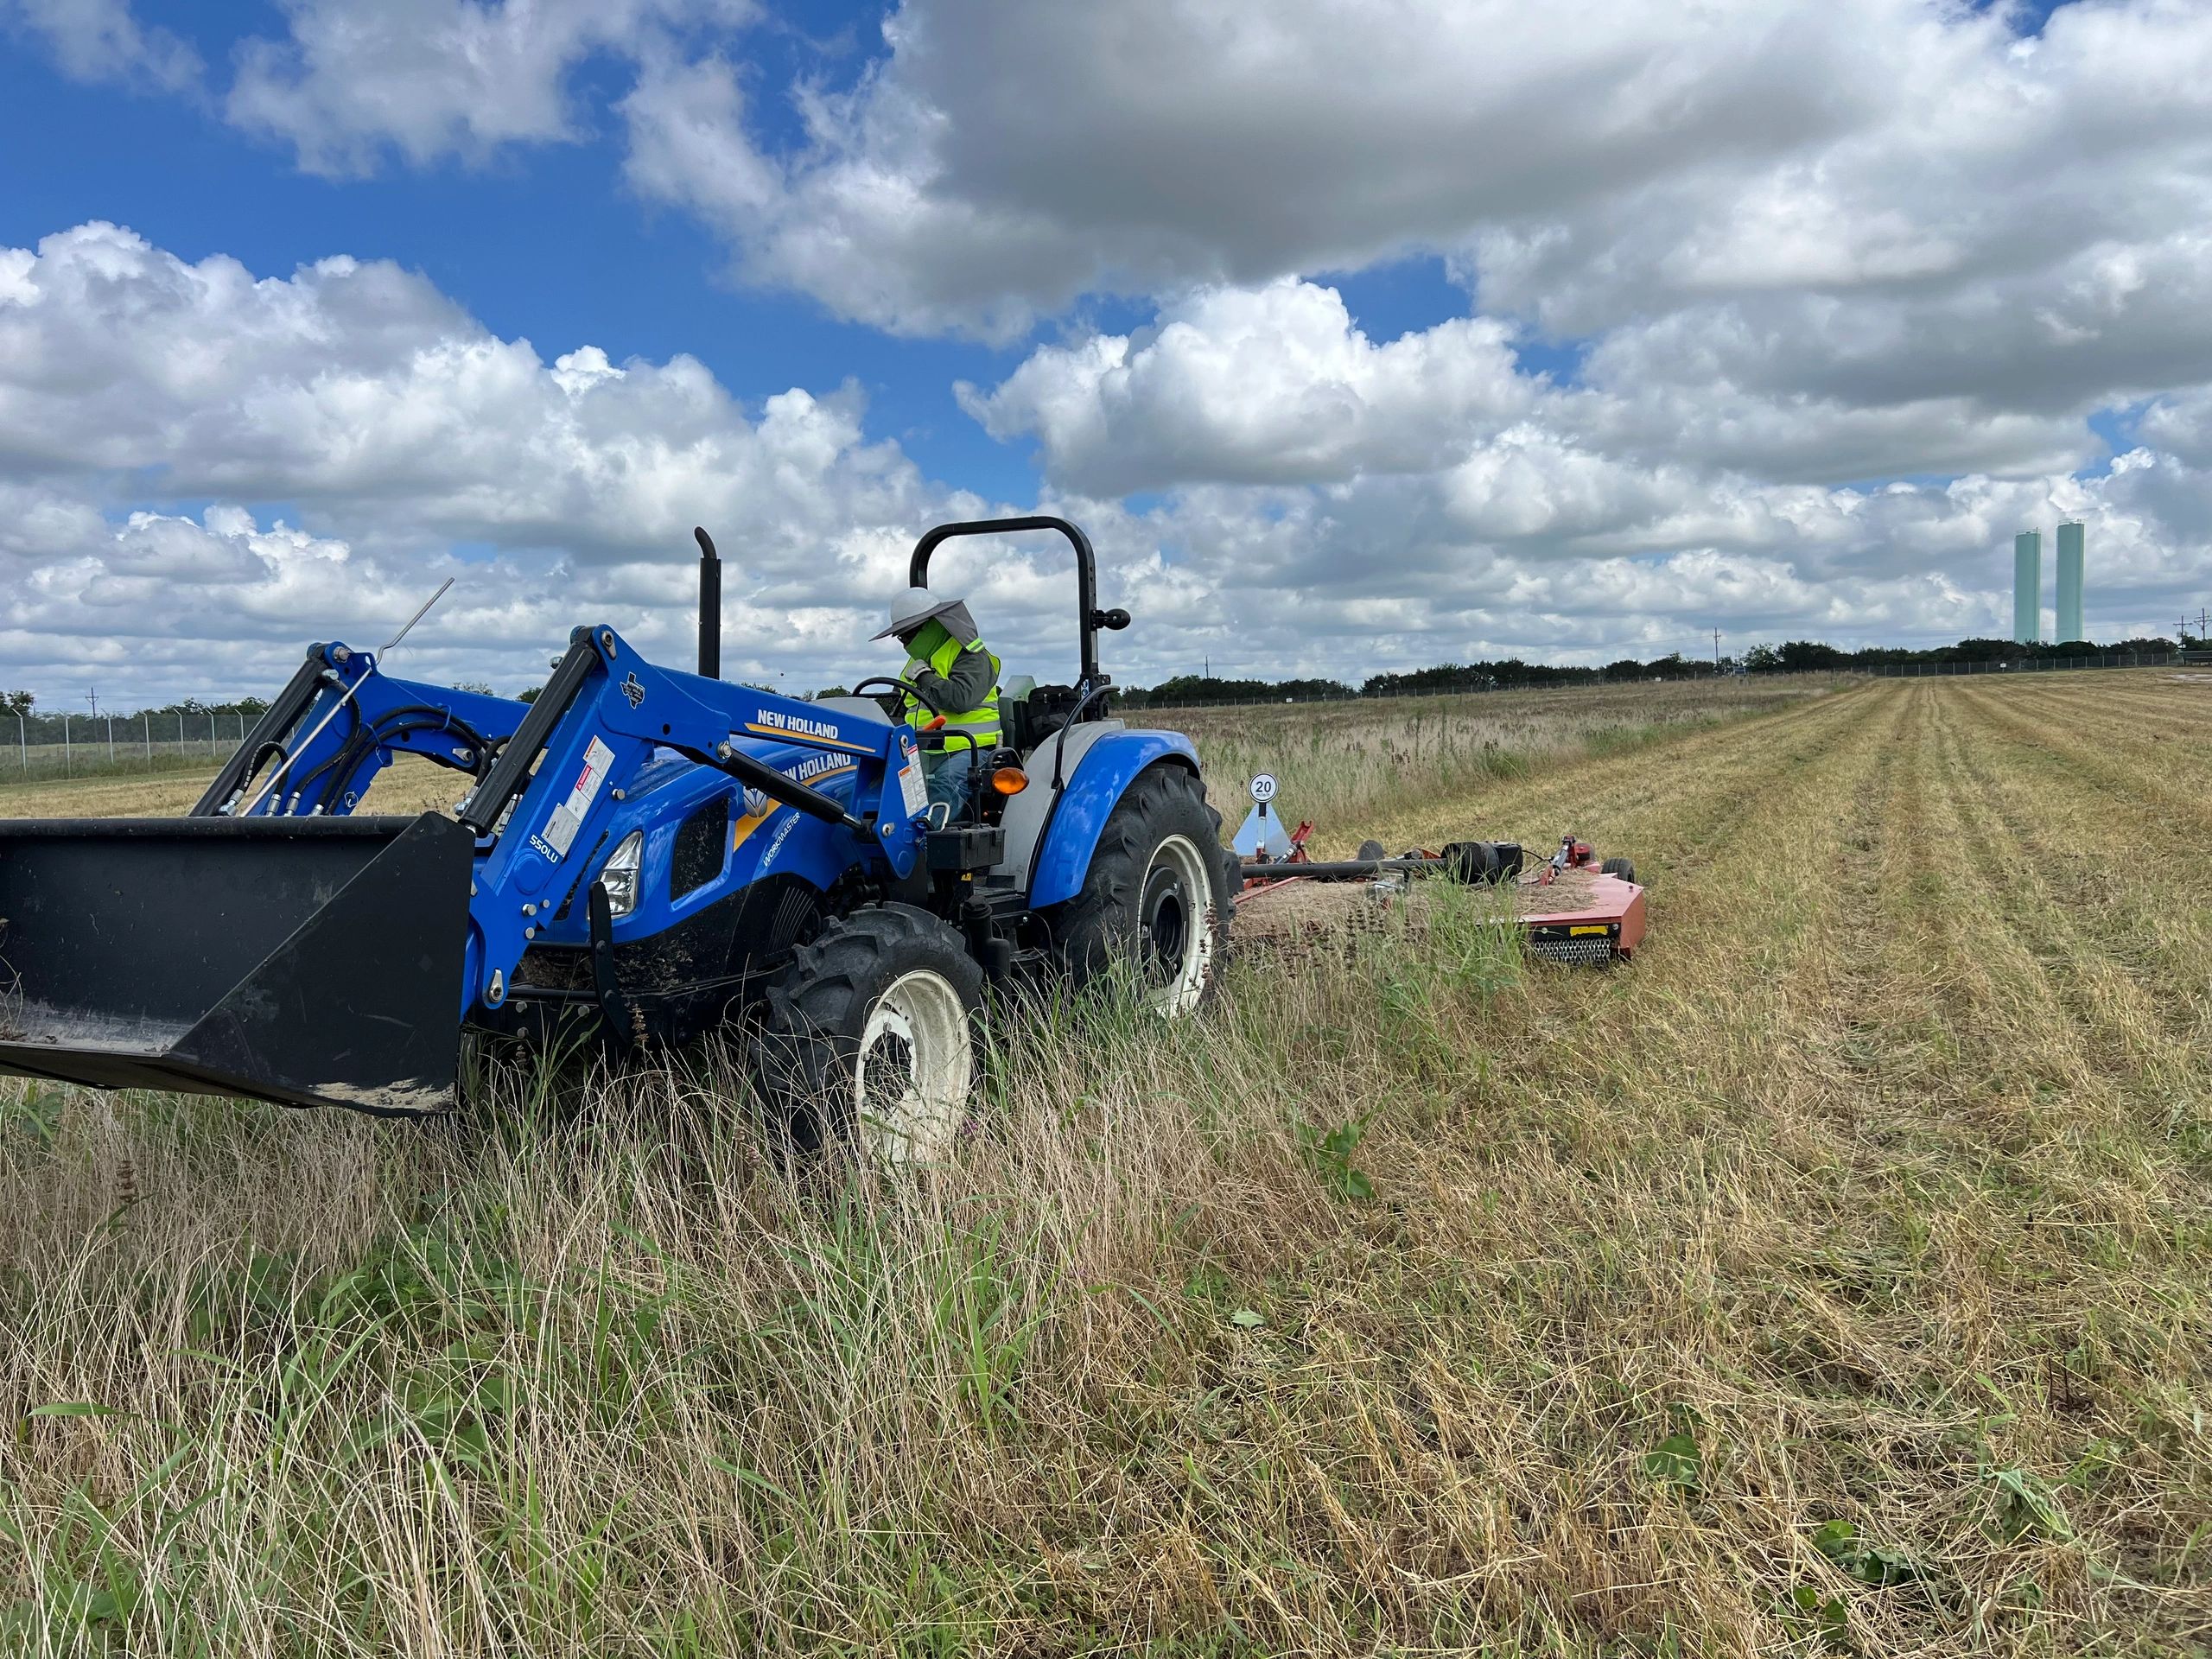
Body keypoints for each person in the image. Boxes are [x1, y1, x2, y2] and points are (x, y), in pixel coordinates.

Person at [873, 587, 1001, 813]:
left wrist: (925, 677)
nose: (904, 642)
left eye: (909, 634)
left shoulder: (971, 655)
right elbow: (903, 711)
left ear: (933, 624)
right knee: (881, 786)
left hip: (972, 750)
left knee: (943, 785)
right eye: (900, 637)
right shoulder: (916, 663)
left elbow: (961, 699)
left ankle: (929, 843)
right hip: (923, 751)